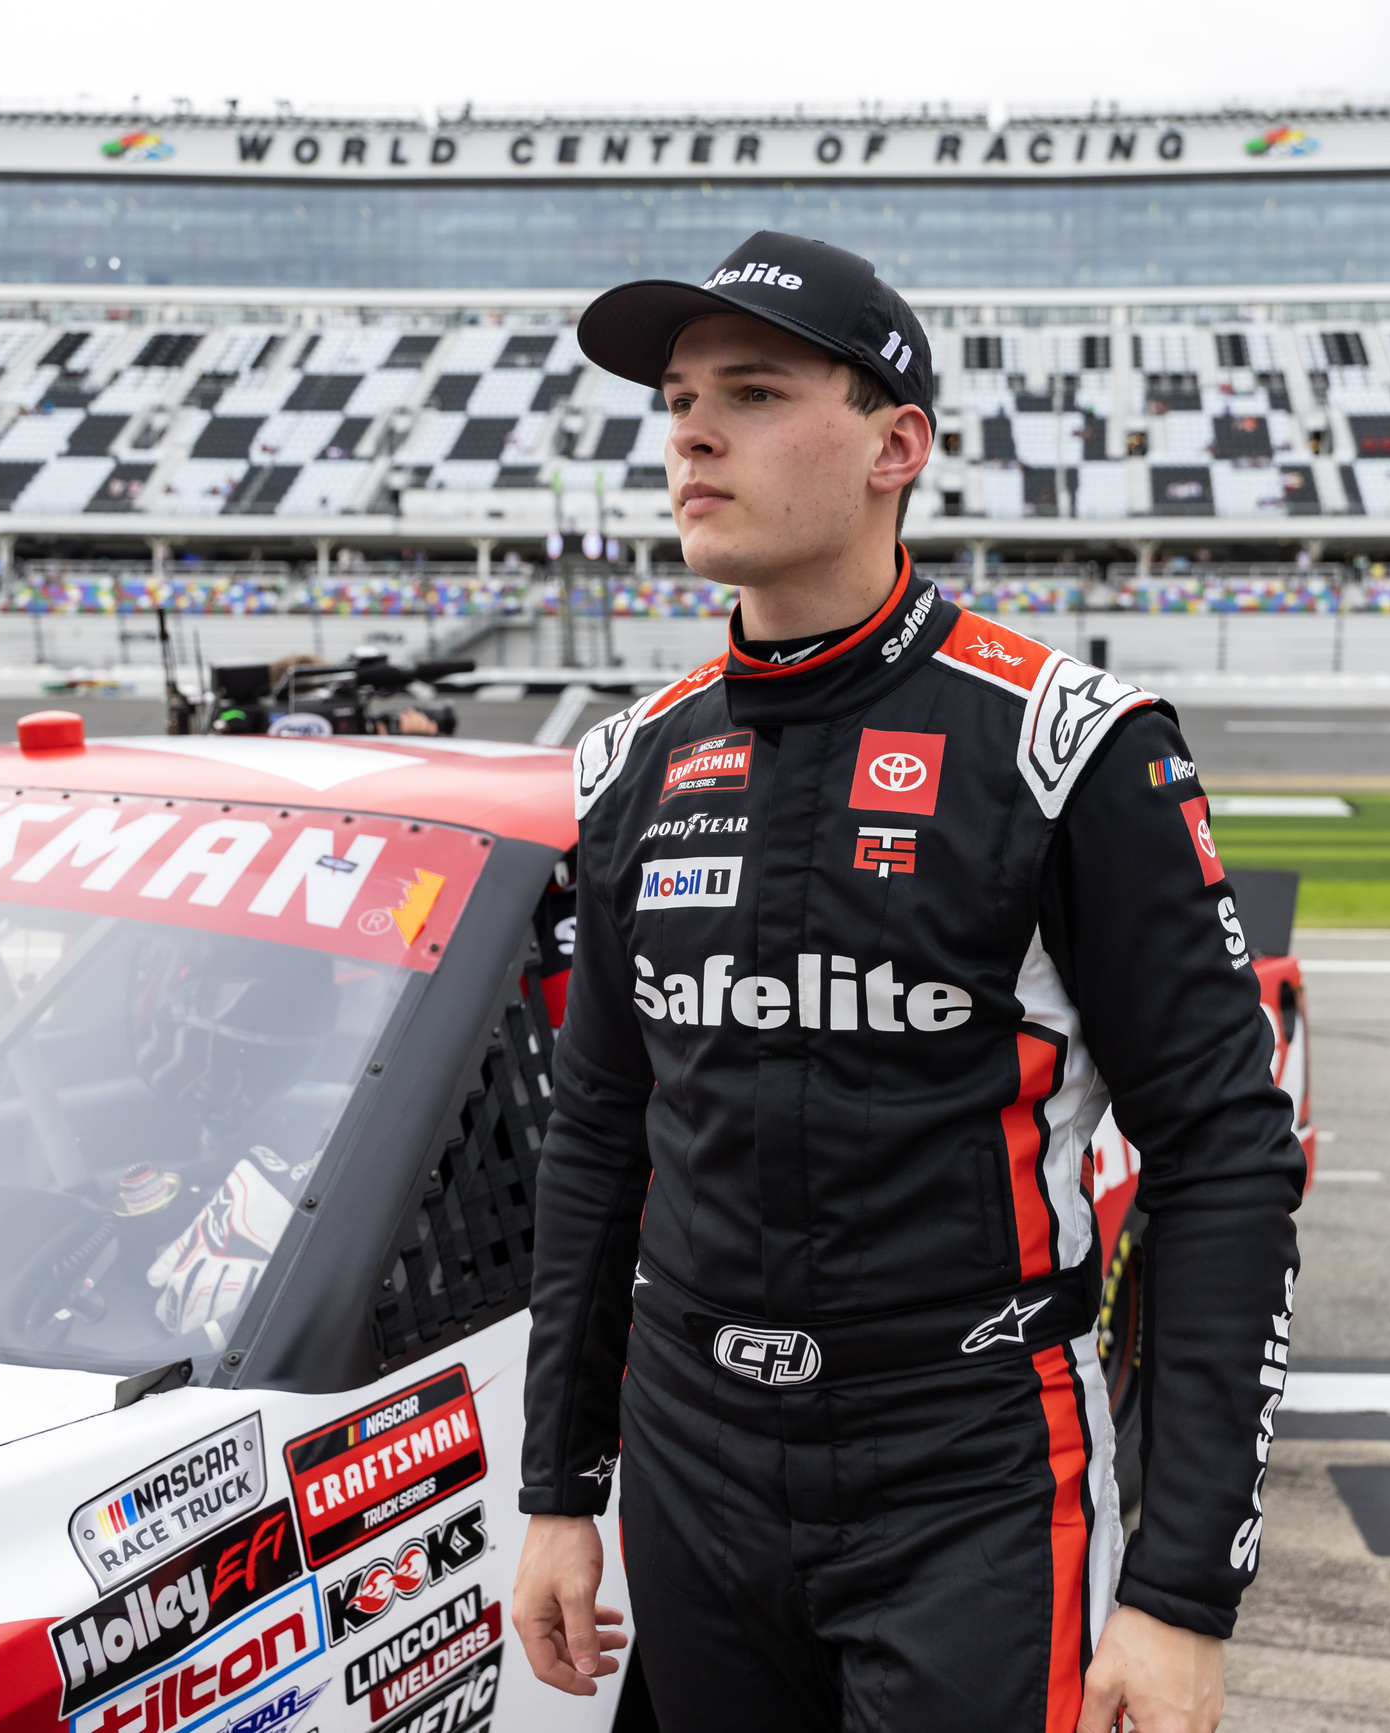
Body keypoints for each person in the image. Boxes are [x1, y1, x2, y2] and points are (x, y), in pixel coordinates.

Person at [510, 232, 1305, 1733]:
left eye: (750, 390)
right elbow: (598, 1137)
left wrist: (1183, 1590)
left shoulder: (1072, 743)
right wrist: (561, 1490)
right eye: (678, 396)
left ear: (897, 446)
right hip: (692, 1461)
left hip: (972, 1468)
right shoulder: (631, 761)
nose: (689, 430)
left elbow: (1226, 1161)